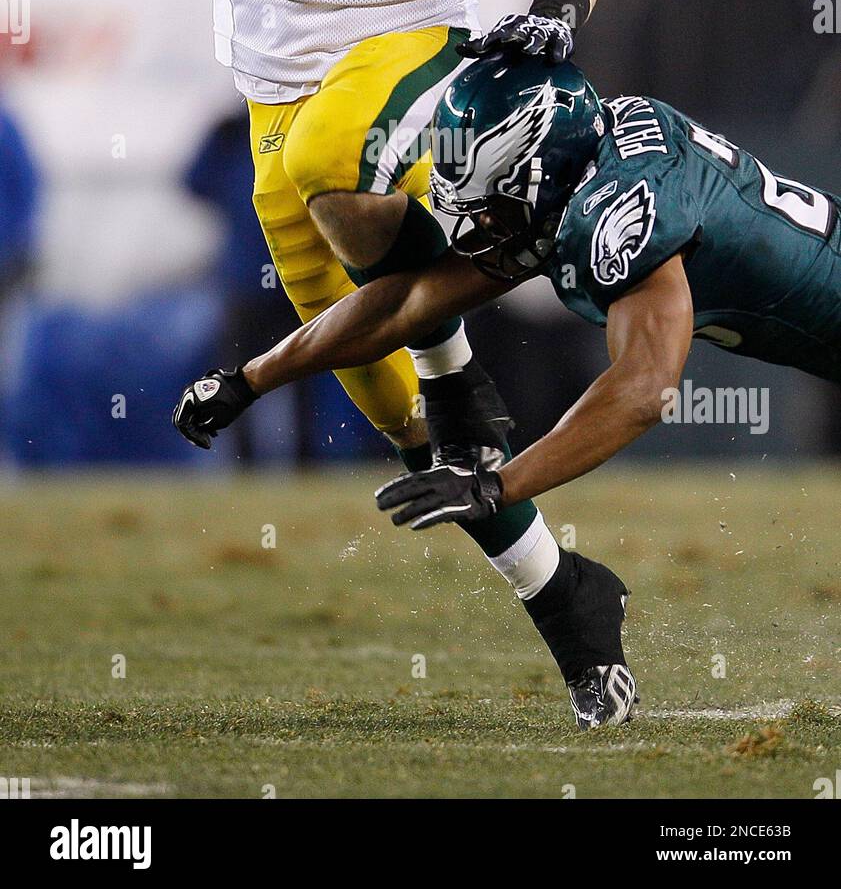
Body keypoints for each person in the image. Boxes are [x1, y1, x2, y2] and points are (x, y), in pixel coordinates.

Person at [110, 0, 618, 725]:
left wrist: (556, 4)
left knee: (341, 150)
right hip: (273, 88)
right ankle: (568, 598)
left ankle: (453, 376)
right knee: (389, 400)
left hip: (408, 60)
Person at [174, 55, 841, 716]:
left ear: (540, 168)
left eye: (491, 206)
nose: (477, 224)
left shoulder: (619, 209)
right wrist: (249, 379)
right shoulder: (579, 171)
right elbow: (403, 303)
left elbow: (644, 389)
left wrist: (499, 486)